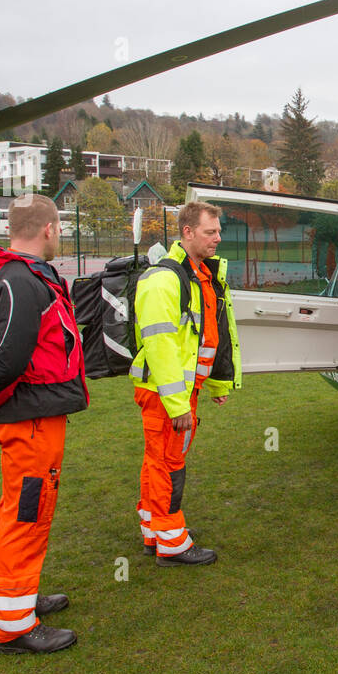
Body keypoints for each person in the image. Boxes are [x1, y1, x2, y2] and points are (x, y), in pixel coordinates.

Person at [0, 193, 88, 655]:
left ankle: (22, 600)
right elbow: (8, 356)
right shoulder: (21, 280)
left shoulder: (8, 275)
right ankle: (14, 626)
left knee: (27, 510)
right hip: (30, 419)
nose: (61, 236)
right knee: (25, 514)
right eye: (61, 229)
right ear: (49, 229)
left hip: (34, 415)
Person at [130, 201, 238, 566]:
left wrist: (217, 385)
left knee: (157, 461)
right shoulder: (166, 279)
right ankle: (172, 543)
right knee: (168, 464)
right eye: (211, 232)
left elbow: (208, 337)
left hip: (178, 391)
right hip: (166, 394)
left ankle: (153, 530)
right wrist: (177, 406)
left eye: (219, 231)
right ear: (187, 232)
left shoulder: (200, 275)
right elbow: (161, 346)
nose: (218, 239)